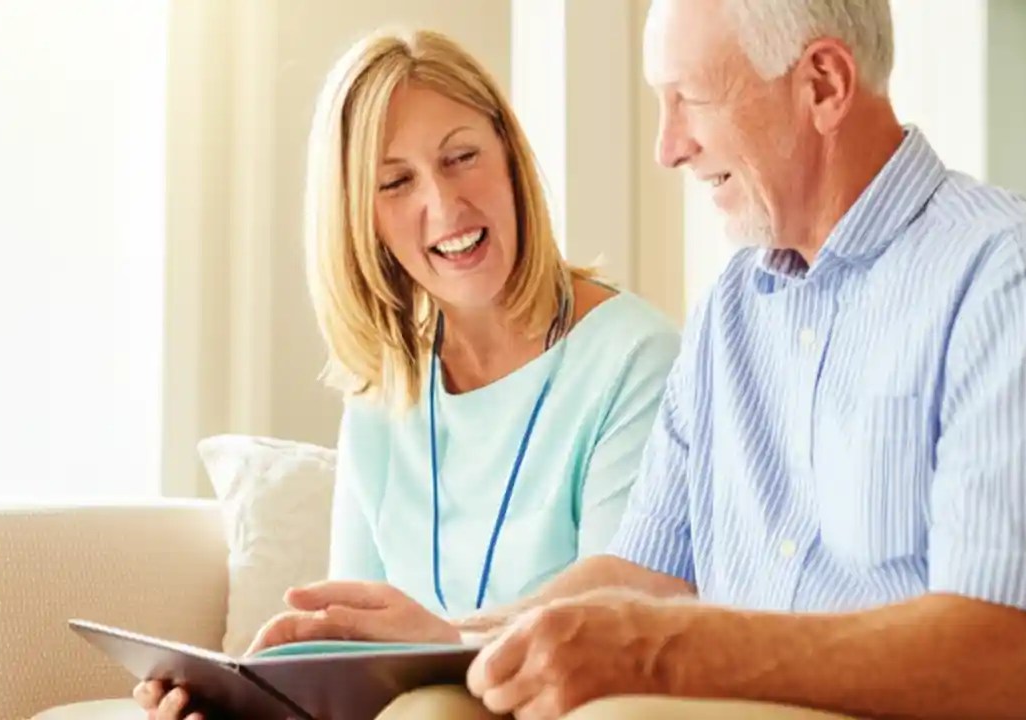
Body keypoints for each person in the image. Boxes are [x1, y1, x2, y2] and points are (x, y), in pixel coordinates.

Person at [184, 1, 1026, 719]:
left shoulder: (1019, 285)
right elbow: (643, 571)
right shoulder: (733, 316)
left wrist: (664, 653)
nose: (664, 147)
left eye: (686, 101)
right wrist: (452, 643)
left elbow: (991, 669)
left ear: (821, 83)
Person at [133, 26, 680, 720]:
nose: (446, 206)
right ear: (363, 222)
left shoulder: (636, 360)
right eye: (396, 182)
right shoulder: (383, 393)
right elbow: (353, 671)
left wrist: (453, 643)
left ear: (510, 157)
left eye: (462, 158)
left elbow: (625, 626)